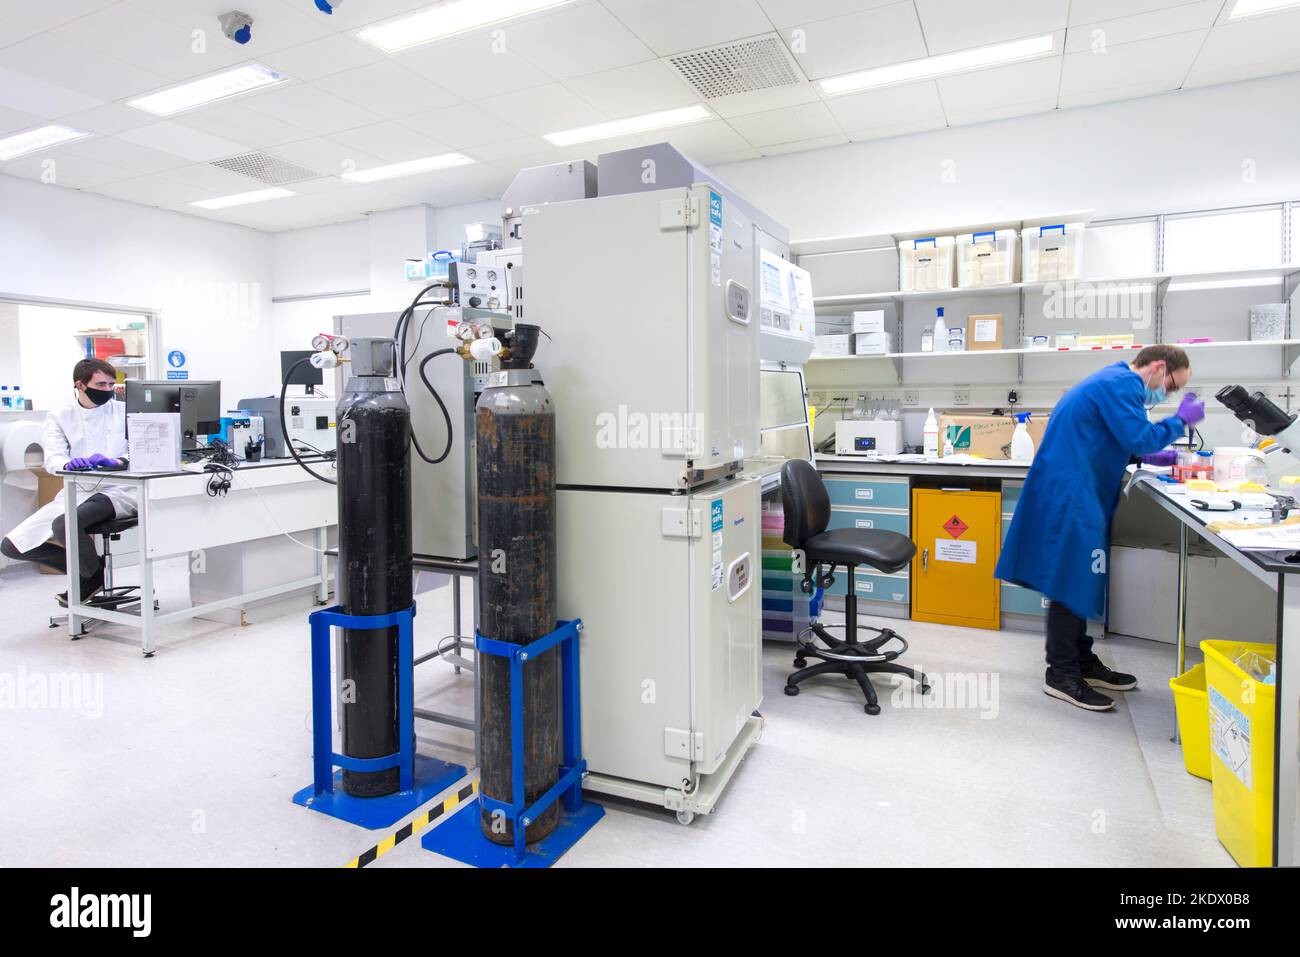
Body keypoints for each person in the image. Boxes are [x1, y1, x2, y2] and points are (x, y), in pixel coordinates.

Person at [996, 345, 1205, 712]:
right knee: (1071, 581)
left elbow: (1120, 440)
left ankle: (1080, 660)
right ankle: (1061, 674)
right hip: (1073, 494)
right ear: (1158, 367)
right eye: (1171, 386)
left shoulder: (1112, 379)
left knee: (1079, 579)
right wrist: (1181, 420)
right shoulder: (1123, 384)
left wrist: (1163, 455)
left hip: (1076, 490)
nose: (1167, 395)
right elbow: (1139, 439)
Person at [1, 358, 136, 603]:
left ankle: (90, 579)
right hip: (78, 489)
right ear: (81, 385)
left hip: (119, 489)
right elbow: (53, 457)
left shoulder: (124, 411)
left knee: (64, 524)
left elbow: (140, 450)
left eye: (110, 385)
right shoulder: (60, 416)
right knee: (11, 546)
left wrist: (117, 461)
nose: (107, 390)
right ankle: (90, 572)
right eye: (101, 384)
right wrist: (66, 465)